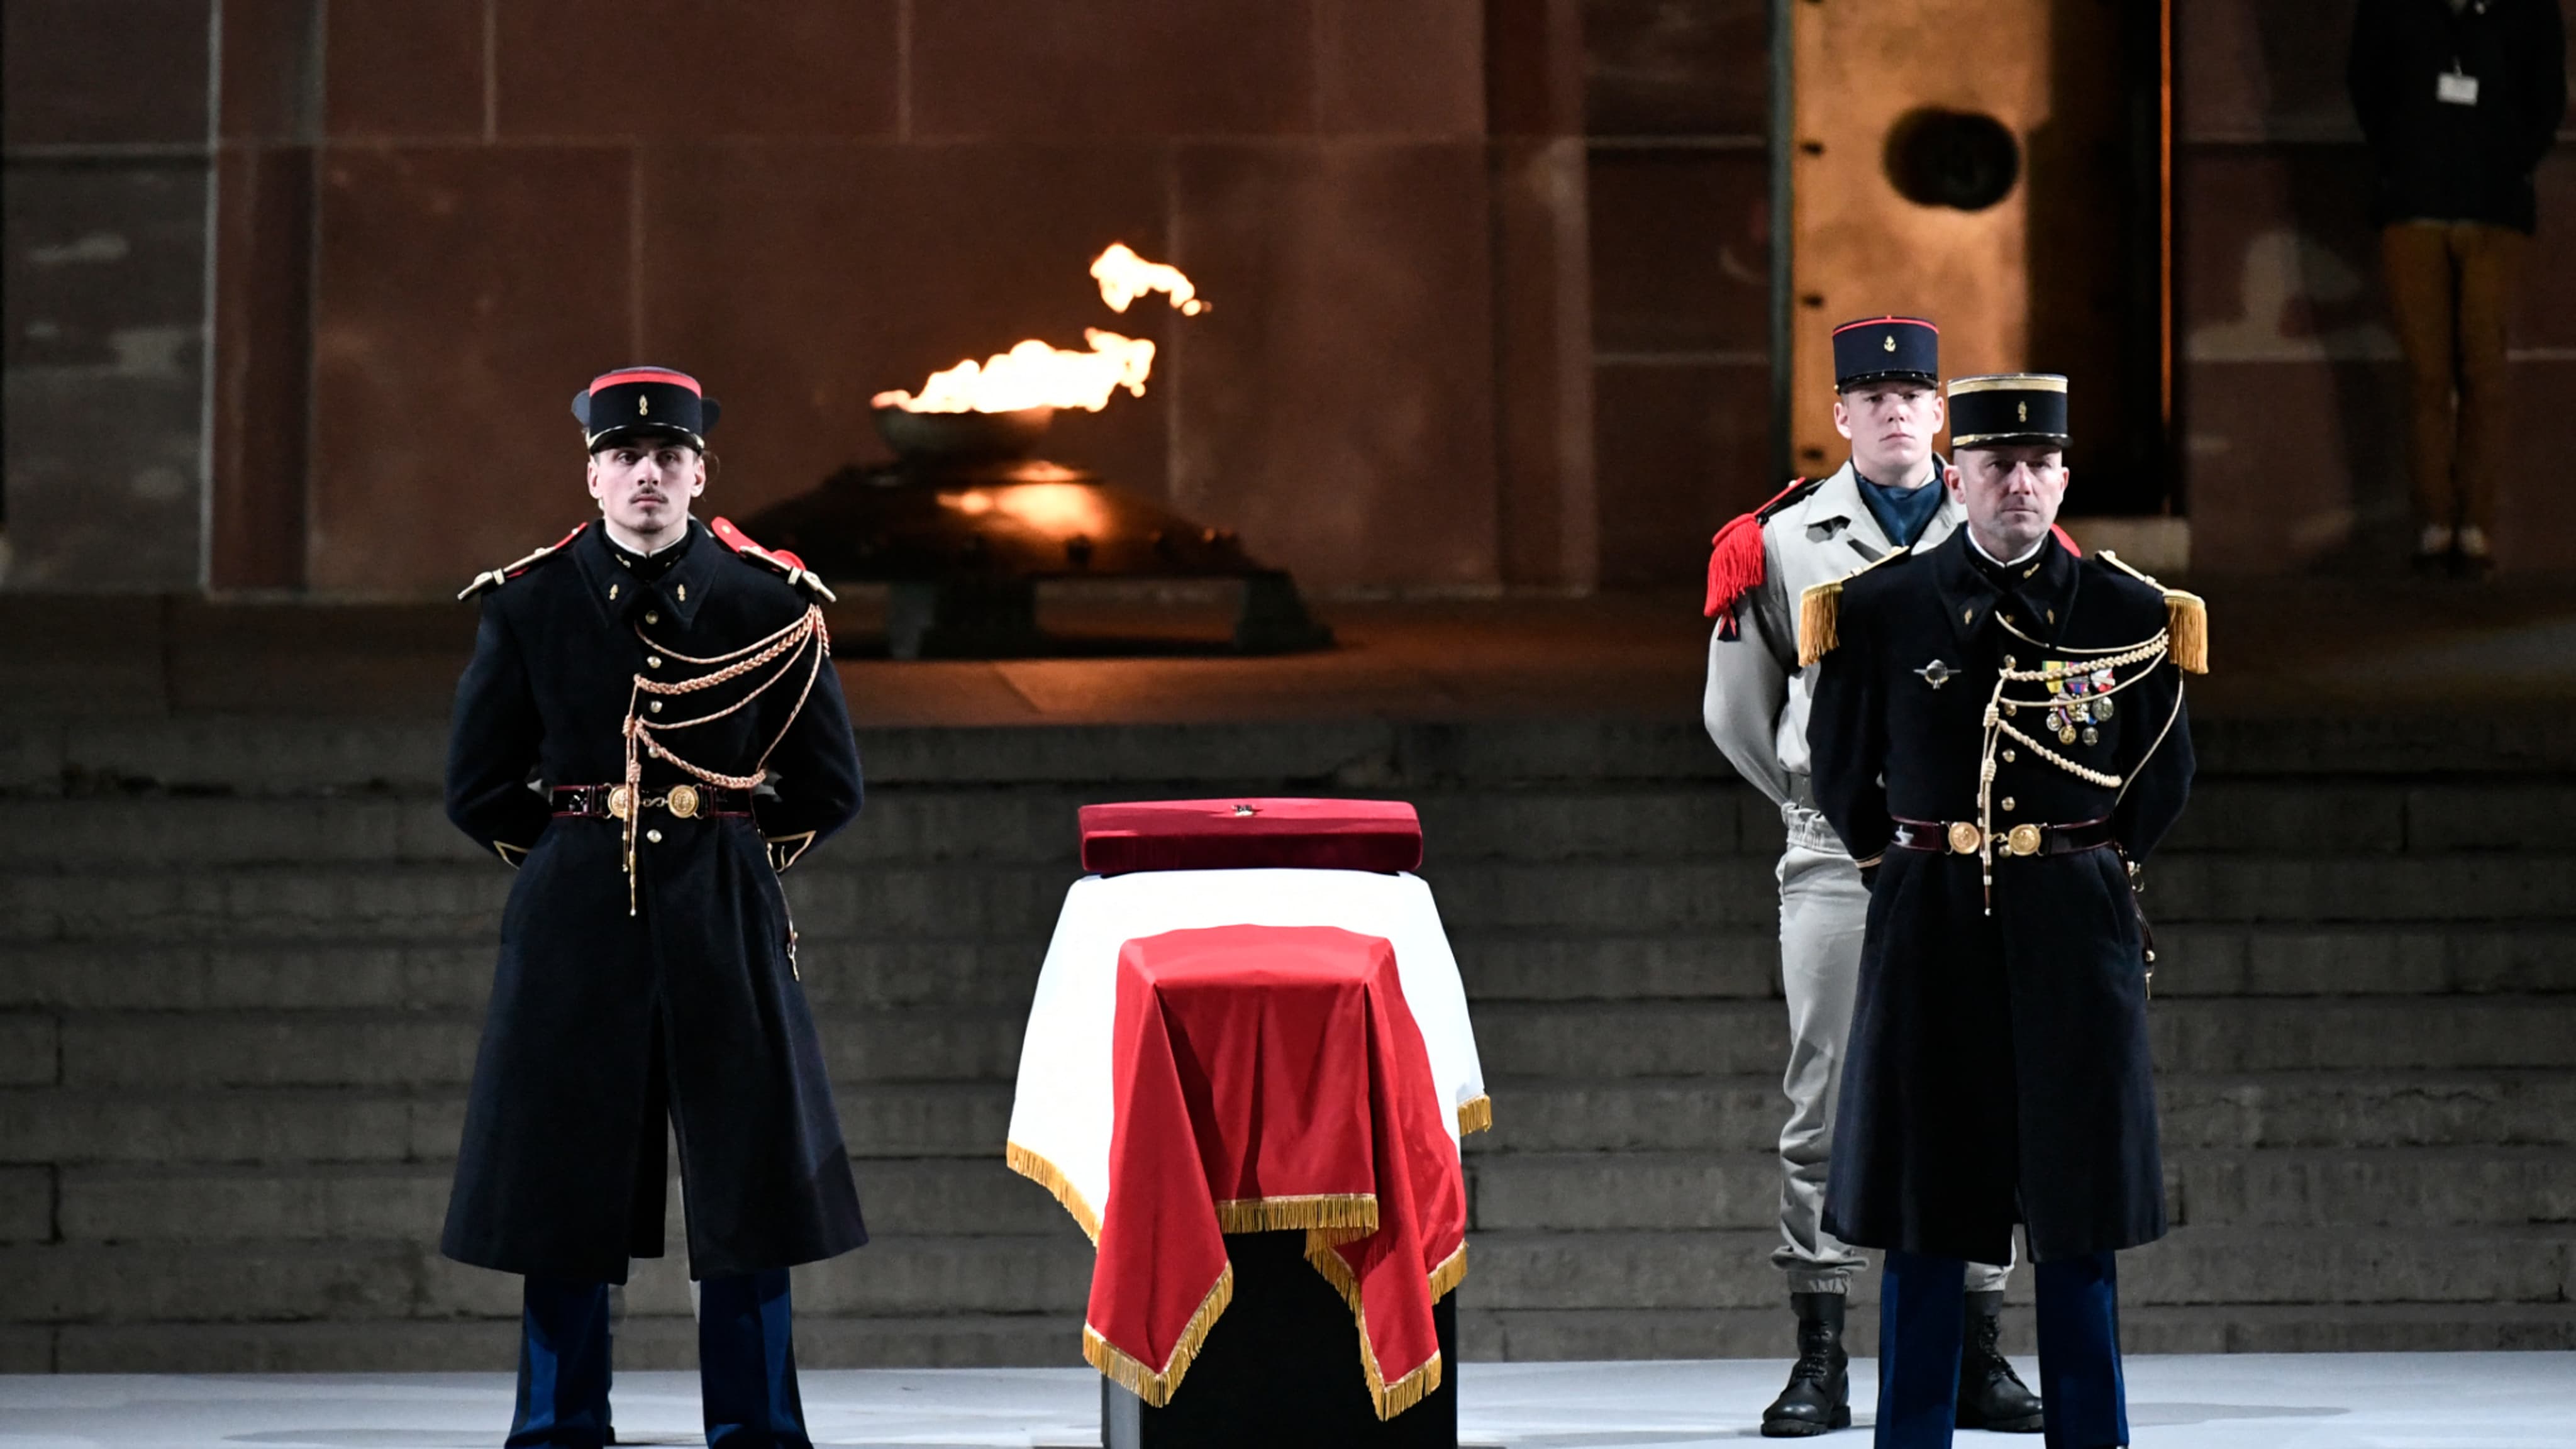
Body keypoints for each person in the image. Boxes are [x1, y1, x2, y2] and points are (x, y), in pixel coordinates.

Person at [443, 365, 865, 1448]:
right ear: (591, 476)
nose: (647, 475)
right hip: (578, 926)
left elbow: (829, 787)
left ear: (700, 474)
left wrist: (733, 857)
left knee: (750, 1191)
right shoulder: (530, 601)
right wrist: (573, 858)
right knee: (560, 1188)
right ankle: (557, 1426)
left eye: (668, 457)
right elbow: (477, 786)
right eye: (625, 456)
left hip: (722, 916)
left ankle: (759, 1429)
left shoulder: (772, 604)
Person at [1803, 374, 2203, 1448]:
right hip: (1932, 925)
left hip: (2073, 927)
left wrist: (2084, 865)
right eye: (1995, 465)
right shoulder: (1882, 608)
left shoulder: (2129, 613)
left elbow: (2162, 775)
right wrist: (1908, 865)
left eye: (2037, 464)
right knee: (1925, 1212)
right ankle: (1914, 1437)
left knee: (2079, 1215)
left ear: (2064, 478)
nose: (2018, 482)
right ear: (1958, 478)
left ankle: (2091, 1435)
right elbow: (1842, 771)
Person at [1702, 317, 2040, 1437]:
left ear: (1941, 414)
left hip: (1973, 849)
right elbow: (1739, 711)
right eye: (1873, 397)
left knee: (1981, 1086)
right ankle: (1821, 1350)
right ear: (1840, 415)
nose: (1896, 411)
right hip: (1841, 852)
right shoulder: (1779, 541)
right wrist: (1825, 807)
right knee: (1828, 1093)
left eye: (1913, 395)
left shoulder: (1997, 518)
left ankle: (1974, 1347)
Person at [2347, 0, 2567, 574]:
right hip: (2415, 203)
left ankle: (2474, 526)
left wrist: (2510, 160)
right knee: (2426, 373)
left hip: (2492, 207)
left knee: (2482, 371)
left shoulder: (2526, 11)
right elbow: (2367, 80)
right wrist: (2400, 154)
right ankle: (2435, 522)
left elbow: (2547, 94)